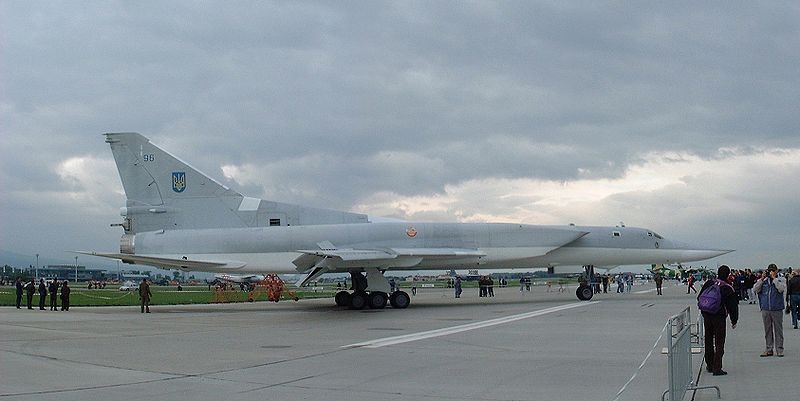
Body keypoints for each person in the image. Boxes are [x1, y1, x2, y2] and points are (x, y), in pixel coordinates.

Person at [698, 265, 738, 376]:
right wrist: (734, 320)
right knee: (719, 342)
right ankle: (717, 367)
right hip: (719, 317)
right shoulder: (728, 288)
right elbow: (733, 306)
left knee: (708, 339)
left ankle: (709, 364)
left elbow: (700, 297)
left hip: (707, 315)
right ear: (728, 274)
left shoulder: (709, 283)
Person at [754, 264, 786, 357]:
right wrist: (761, 279)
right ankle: (769, 349)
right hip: (766, 308)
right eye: (770, 270)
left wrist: (774, 279)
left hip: (777, 308)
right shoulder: (764, 281)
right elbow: (755, 289)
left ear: (776, 271)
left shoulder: (781, 279)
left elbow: (781, 289)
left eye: (773, 270)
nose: (771, 272)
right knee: (767, 330)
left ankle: (779, 349)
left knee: (778, 330)